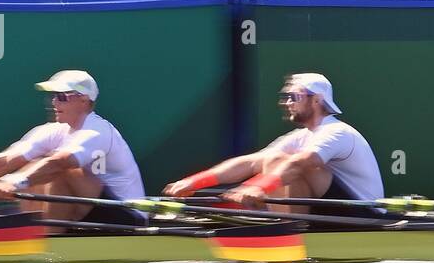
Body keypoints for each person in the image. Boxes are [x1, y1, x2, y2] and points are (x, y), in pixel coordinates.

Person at [0, 69, 145, 226]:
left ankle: (44, 245)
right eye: (53, 97)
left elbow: (59, 162)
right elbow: (5, 160)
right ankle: (38, 236)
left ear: (84, 100)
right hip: (86, 211)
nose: (54, 102)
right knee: (32, 165)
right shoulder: (53, 130)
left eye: (61, 97)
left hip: (126, 217)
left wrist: (13, 183)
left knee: (57, 168)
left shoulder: (97, 131)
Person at [164, 72, 383, 210]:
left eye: (294, 97)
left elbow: (299, 164)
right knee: (272, 159)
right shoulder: (302, 136)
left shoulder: (337, 132)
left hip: (364, 212)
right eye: (285, 97)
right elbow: (251, 162)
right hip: (328, 207)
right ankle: (282, 225)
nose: (287, 103)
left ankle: (286, 229)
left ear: (316, 100)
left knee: (290, 162)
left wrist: (258, 187)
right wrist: (193, 183)